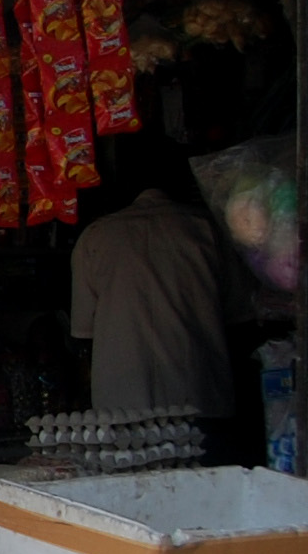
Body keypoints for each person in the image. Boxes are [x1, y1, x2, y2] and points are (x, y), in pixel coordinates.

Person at [72, 150, 240, 422]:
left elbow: (83, 331)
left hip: (123, 406)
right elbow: (238, 315)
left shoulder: (95, 237)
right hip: (199, 399)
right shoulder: (209, 230)